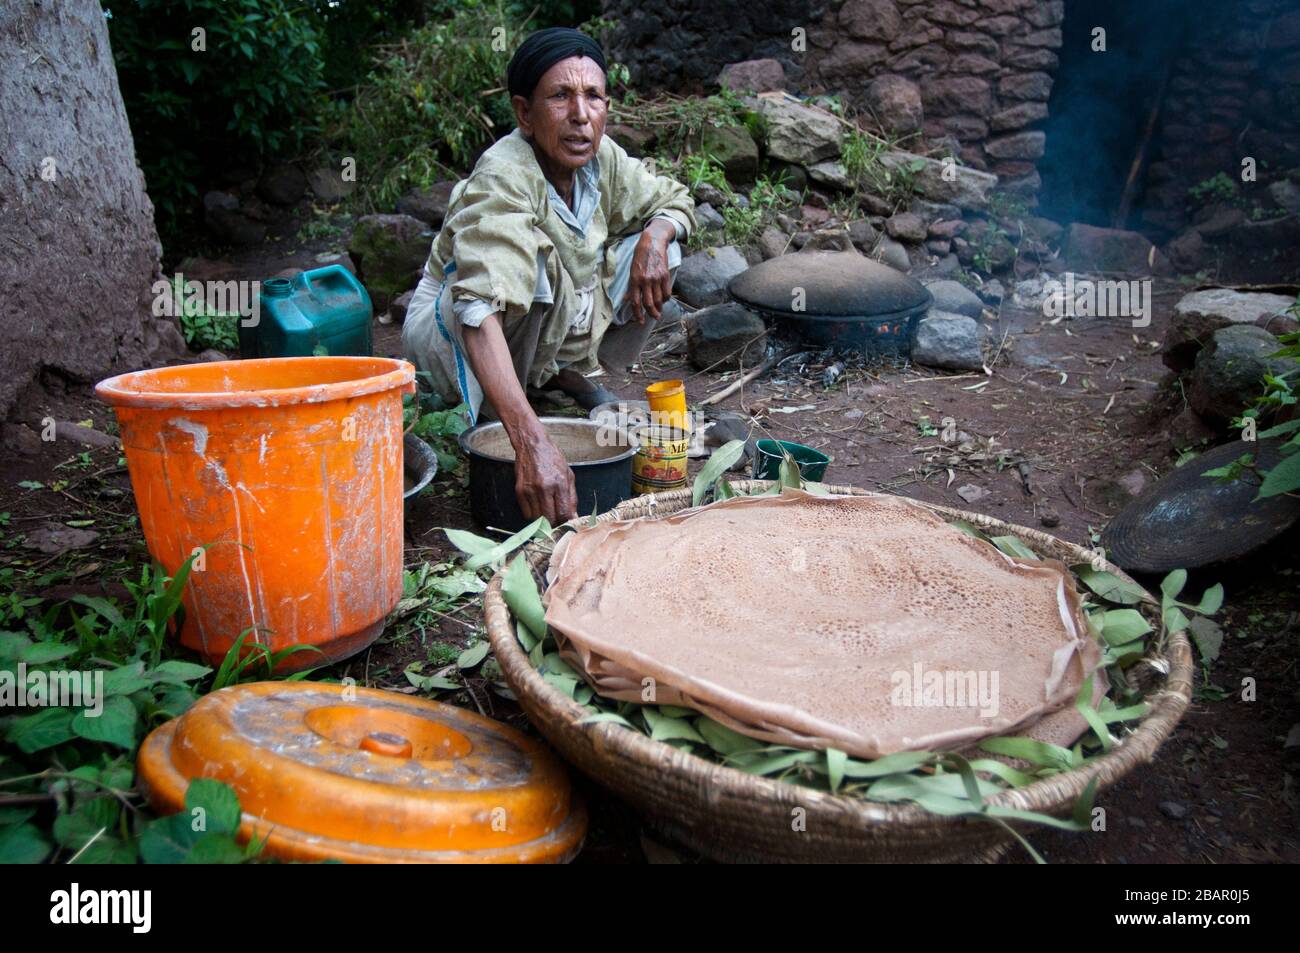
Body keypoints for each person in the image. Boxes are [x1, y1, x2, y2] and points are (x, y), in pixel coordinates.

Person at [402, 27, 695, 525]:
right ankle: (499, 410)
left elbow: (674, 200)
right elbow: (475, 309)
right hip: (445, 330)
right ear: (524, 114)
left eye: (593, 97)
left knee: (659, 251)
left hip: (518, 317)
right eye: (560, 96)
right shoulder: (504, 176)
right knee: (532, 263)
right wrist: (531, 444)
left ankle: (559, 378)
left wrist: (656, 237)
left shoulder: (601, 160)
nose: (581, 115)